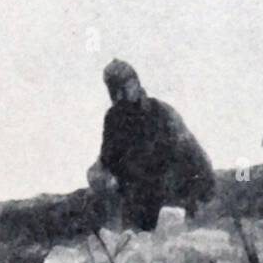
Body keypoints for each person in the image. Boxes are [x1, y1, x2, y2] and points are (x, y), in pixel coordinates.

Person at [86, 59, 215, 232]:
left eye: (125, 87)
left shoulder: (161, 113)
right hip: (136, 209)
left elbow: (192, 152)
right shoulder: (113, 120)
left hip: (171, 205)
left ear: (136, 84)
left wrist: (205, 189)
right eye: (114, 90)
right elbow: (108, 161)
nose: (120, 95)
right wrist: (99, 179)